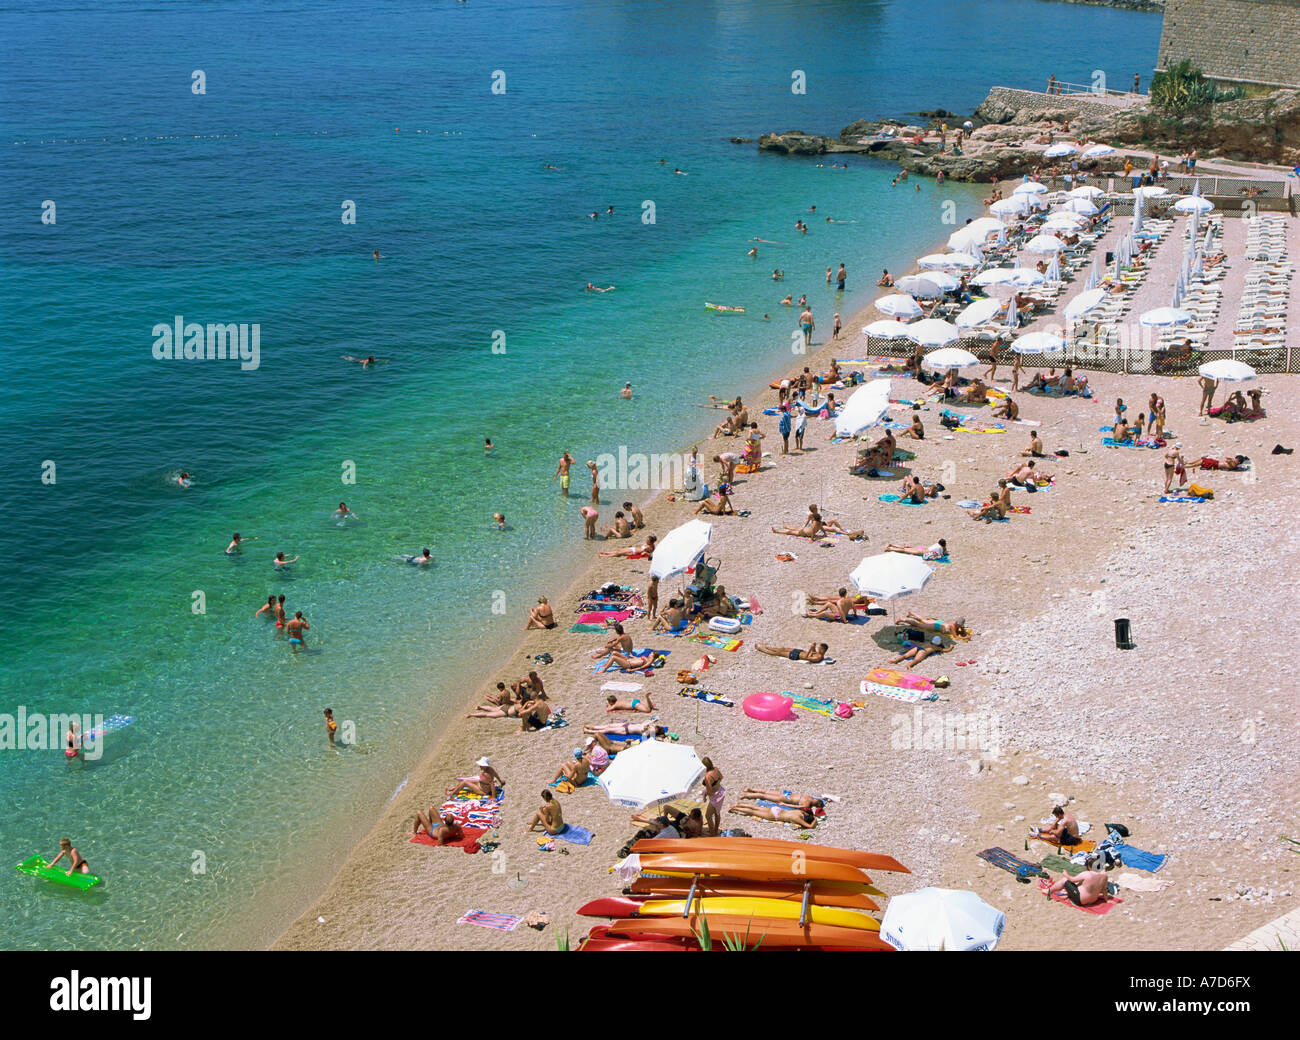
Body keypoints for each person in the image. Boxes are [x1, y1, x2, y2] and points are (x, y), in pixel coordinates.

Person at [1044, 869, 1113, 907]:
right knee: (1080, 884)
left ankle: (1048, 891)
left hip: (1081, 900)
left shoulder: (1087, 874)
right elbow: (1104, 889)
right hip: (1093, 900)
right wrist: (1106, 900)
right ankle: (1068, 894)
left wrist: (1065, 873)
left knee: (1064, 880)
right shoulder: (1104, 876)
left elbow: (1072, 880)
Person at [728, 804, 818, 828]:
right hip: (774, 815)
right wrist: (815, 821)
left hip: (776, 809)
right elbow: (810, 826)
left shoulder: (799, 813)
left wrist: (814, 817)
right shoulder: (797, 819)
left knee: (756, 807)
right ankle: (736, 809)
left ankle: (739, 804)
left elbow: (808, 813)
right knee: (753, 812)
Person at [740, 788, 826, 813]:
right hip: (785, 798)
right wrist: (784, 804)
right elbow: (794, 806)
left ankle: (749, 789)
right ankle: (747, 796)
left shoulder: (809, 797)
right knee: (764, 796)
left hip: (786, 793)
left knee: (765, 791)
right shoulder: (806, 805)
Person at [699, 757, 725, 836]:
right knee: (717, 813)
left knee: (708, 815)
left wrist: (706, 793)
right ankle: (716, 830)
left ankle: (712, 832)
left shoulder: (707, 777)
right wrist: (716, 784)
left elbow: (710, 791)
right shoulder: (716, 769)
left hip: (715, 797)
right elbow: (721, 777)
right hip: (721, 792)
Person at [889, 635, 954, 665]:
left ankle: (895, 660)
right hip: (922, 651)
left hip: (917, 648)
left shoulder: (928, 642)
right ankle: (909, 665)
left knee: (905, 655)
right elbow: (946, 650)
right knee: (916, 660)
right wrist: (951, 647)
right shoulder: (936, 647)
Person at [902, 611, 969, 639]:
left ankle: (911, 613)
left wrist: (966, 633)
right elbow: (956, 637)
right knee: (918, 625)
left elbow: (962, 630)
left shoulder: (956, 623)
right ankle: (902, 620)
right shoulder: (952, 625)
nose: (960, 627)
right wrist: (965, 637)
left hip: (940, 623)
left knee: (923, 620)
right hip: (937, 626)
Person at [756, 642, 828, 662]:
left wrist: (810, 649)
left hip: (796, 656)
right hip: (800, 651)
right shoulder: (819, 653)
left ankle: (761, 649)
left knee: (778, 653)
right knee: (782, 649)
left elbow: (806, 658)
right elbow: (813, 653)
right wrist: (813, 648)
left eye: (819, 648)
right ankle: (767, 647)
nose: (818, 648)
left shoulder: (818, 658)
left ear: (822, 650)